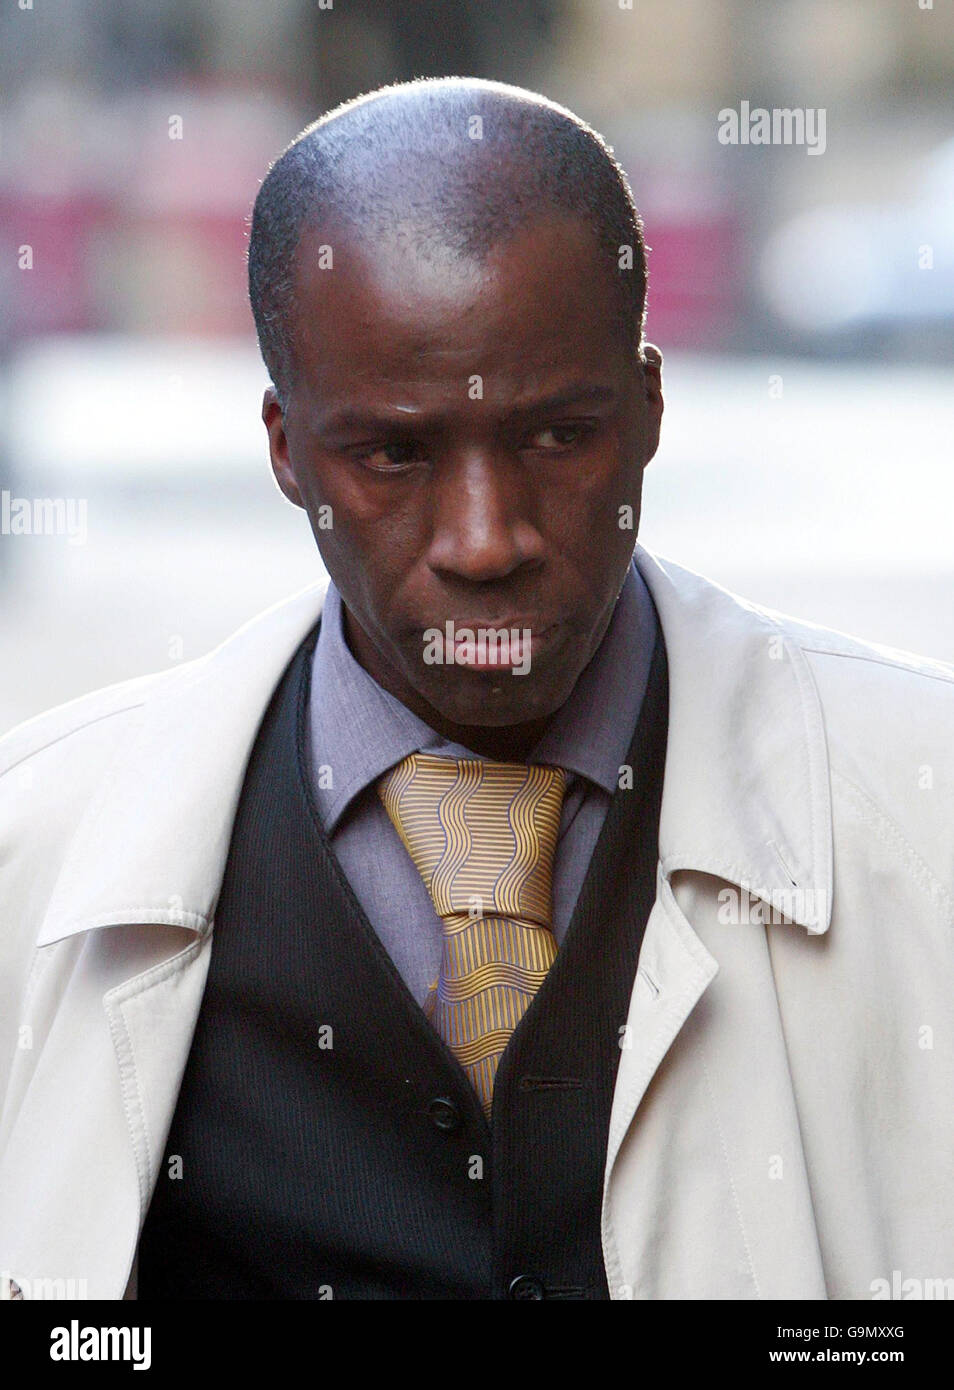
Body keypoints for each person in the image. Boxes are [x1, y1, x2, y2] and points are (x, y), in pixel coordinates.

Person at [1, 76, 953, 1303]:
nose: (485, 539)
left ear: (652, 411)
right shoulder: (33, 864)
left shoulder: (925, 820)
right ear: (286, 450)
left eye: (559, 437)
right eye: (394, 453)